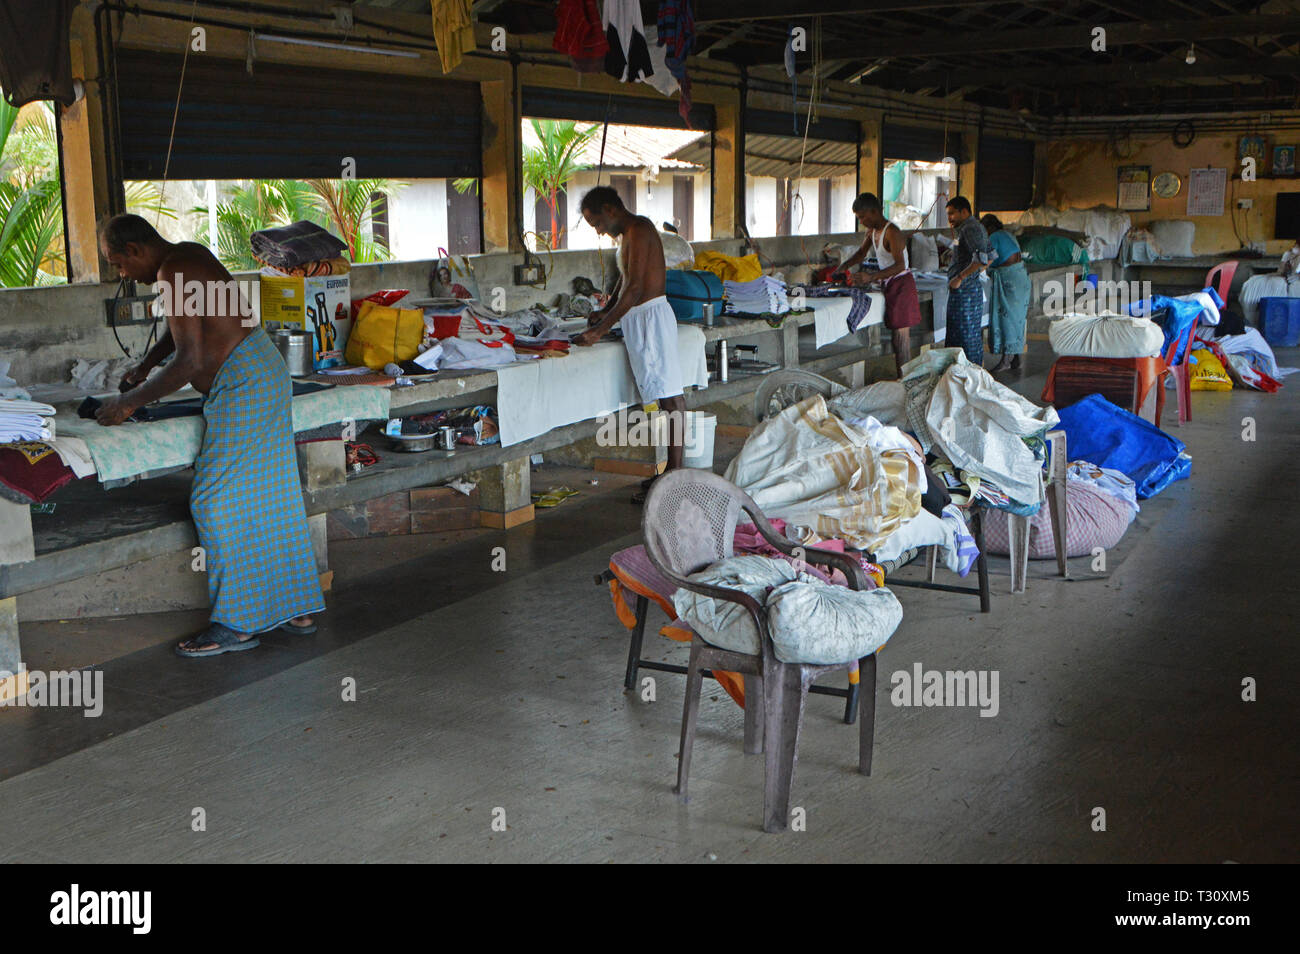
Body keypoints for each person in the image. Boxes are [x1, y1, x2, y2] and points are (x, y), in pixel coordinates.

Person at [96, 214, 323, 658]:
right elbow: (186, 331)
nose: (122, 275)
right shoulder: (188, 255)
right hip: (261, 369)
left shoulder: (171, 272)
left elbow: (189, 362)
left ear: (135, 251)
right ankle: (296, 608)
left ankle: (235, 624)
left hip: (243, 383)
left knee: (213, 501)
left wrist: (129, 403)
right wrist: (146, 365)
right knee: (269, 493)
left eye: (117, 263)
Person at [574, 186, 686, 504]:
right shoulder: (627, 236)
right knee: (661, 398)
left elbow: (637, 287)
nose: (598, 231)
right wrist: (605, 312)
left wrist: (602, 329)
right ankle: (669, 471)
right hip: (639, 319)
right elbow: (625, 281)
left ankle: (676, 474)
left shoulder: (641, 229)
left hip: (651, 317)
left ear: (610, 209)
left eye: (596, 223)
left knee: (670, 398)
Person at [834, 192, 922, 377]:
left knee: (901, 339)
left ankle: (906, 381)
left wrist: (870, 277)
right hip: (889, 283)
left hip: (902, 285)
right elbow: (860, 253)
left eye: (863, 217)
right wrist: (843, 266)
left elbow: (900, 265)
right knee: (896, 338)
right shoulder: (872, 231)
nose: (862, 221)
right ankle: (903, 379)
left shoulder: (892, 232)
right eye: (859, 218)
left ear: (874, 212)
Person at [944, 196, 992, 365]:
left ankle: (969, 376)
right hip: (968, 289)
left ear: (964, 211)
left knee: (965, 337)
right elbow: (991, 255)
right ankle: (962, 376)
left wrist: (961, 277)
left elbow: (981, 259)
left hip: (965, 292)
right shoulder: (974, 227)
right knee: (964, 334)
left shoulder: (969, 229)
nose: (949, 218)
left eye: (952, 214)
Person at [981, 214, 1032, 372]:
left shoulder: (994, 237)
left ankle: (1006, 361)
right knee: (1017, 320)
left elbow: (986, 260)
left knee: (1007, 320)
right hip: (1021, 277)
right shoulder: (1008, 234)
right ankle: (1015, 358)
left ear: (989, 228)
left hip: (1009, 279)